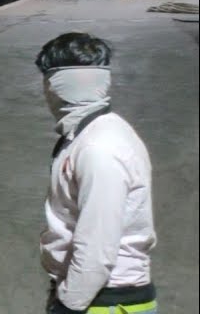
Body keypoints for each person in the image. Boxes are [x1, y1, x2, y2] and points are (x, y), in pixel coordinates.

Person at [35, 32, 157, 314]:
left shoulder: (100, 148)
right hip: (91, 294)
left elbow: (97, 247)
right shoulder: (90, 132)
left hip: (106, 301)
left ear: (56, 84)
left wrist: (69, 305)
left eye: (46, 80)